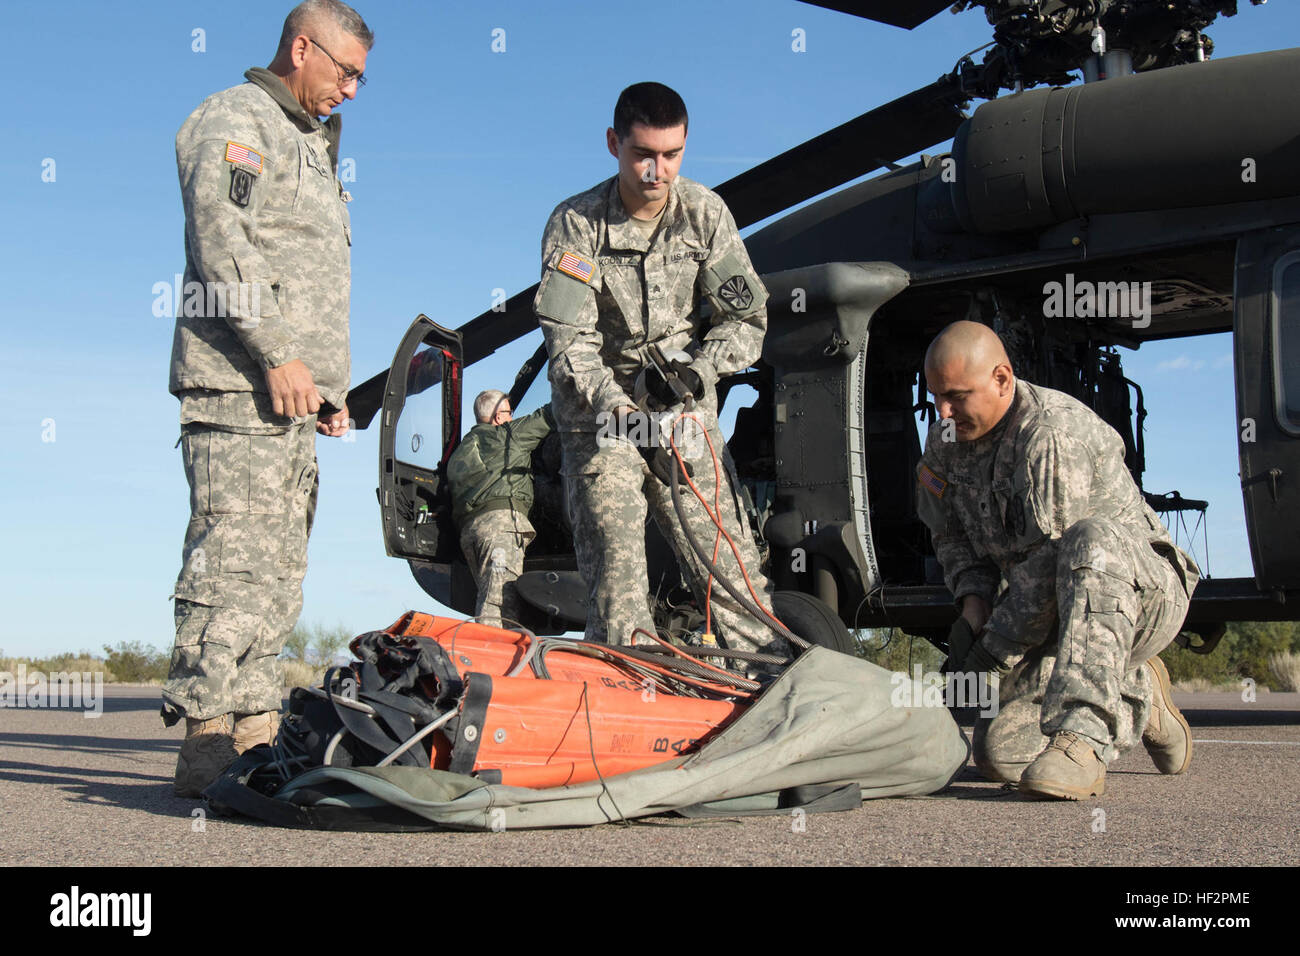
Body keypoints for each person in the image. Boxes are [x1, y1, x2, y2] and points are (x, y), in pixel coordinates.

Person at [162, 0, 373, 797]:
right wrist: (279, 353)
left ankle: (254, 724)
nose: (353, 90)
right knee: (230, 560)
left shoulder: (312, 143)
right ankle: (207, 738)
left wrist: (322, 388)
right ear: (301, 47)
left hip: (289, 398)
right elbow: (222, 236)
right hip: (239, 382)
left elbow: (303, 269)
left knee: (279, 569)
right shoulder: (237, 117)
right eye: (345, 72)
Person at [533, 81, 786, 655]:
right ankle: (629, 693)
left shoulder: (705, 214)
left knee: (731, 570)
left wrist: (702, 369)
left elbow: (746, 320)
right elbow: (569, 341)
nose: (656, 171)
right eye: (642, 154)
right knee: (619, 582)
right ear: (613, 144)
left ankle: (768, 683)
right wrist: (615, 405)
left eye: (671, 155)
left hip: (681, 411)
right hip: (602, 419)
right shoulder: (576, 223)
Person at [916, 320, 1199, 799]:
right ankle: (1138, 692)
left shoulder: (1051, 435)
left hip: (1140, 597)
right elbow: (949, 532)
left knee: (1091, 540)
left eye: (957, 396)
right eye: (936, 396)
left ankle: (1082, 743)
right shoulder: (946, 437)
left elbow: (1048, 570)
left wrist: (990, 655)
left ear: (1001, 380)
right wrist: (972, 600)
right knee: (997, 756)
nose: (943, 411)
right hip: (1056, 617)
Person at [446, 391, 555, 626]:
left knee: (489, 597)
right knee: (499, 607)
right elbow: (549, 415)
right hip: (500, 529)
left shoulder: (460, 453)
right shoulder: (507, 437)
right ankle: (493, 656)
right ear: (497, 417)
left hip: (471, 533)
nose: (512, 417)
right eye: (509, 413)